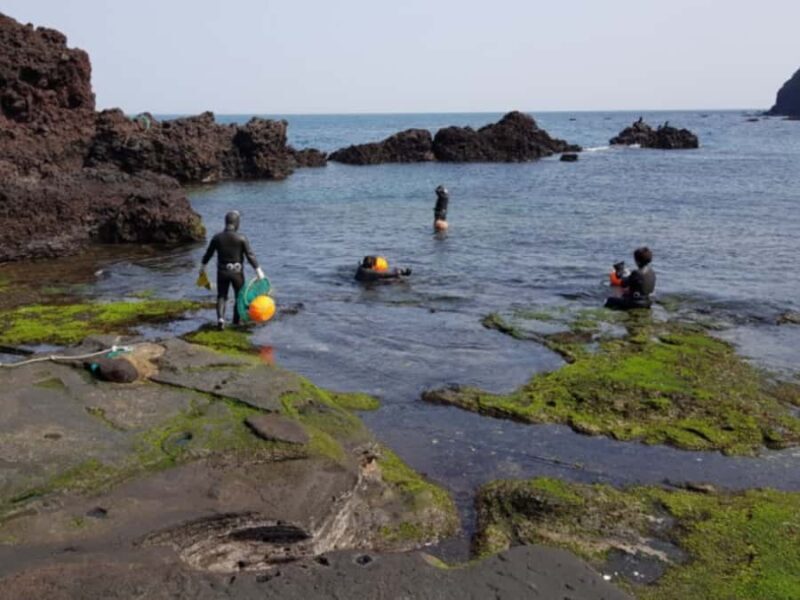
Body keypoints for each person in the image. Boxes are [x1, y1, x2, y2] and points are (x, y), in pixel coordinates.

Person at [200, 211, 265, 329]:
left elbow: (208, 254)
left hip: (222, 272)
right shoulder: (241, 238)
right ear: (236, 223)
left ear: (226, 222)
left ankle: (221, 319)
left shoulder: (217, 238)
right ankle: (236, 322)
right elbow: (250, 256)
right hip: (237, 273)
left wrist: (202, 267)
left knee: (221, 296)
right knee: (239, 297)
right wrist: (258, 270)